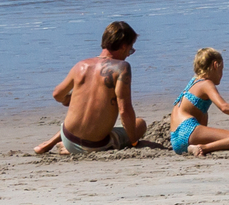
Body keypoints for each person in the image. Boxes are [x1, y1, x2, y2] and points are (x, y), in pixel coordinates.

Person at [34, 20, 147, 154]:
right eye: (130, 50)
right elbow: (124, 110)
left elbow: (57, 94)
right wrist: (134, 141)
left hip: (68, 137)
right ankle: (73, 150)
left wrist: (69, 99)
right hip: (94, 145)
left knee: (81, 110)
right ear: (123, 46)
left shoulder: (81, 65)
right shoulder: (121, 68)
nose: (128, 54)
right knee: (140, 124)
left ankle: (52, 143)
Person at [169, 47, 229, 156]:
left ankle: (196, 146)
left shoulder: (193, 82)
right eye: (222, 68)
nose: (222, 74)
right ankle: (202, 148)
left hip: (175, 140)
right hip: (188, 130)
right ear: (215, 65)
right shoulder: (206, 83)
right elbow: (224, 107)